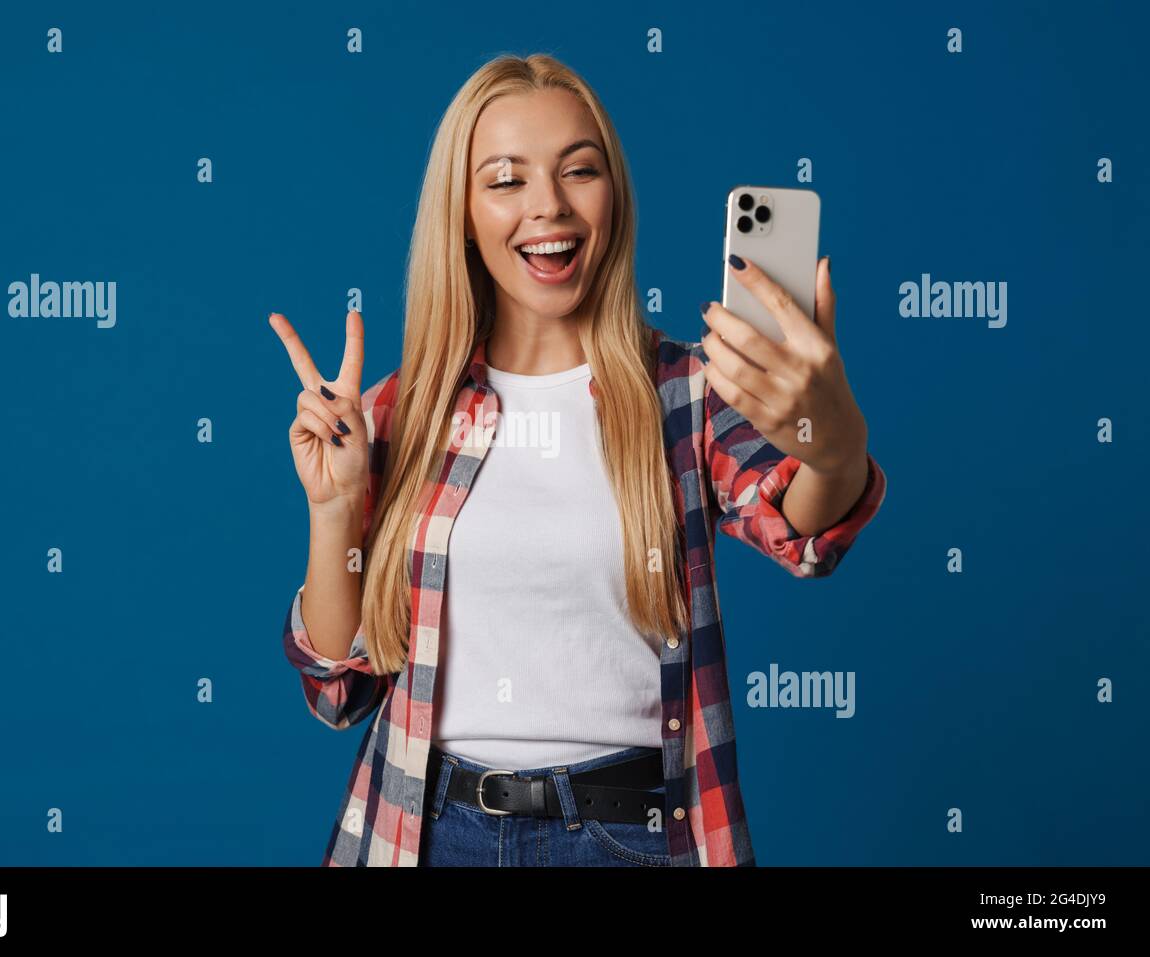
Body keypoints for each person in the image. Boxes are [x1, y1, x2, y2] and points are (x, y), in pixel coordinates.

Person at [269, 52, 886, 867]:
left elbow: (800, 527)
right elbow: (337, 693)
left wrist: (835, 447)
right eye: (506, 180)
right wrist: (334, 508)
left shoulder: (687, 392)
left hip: (631, 839)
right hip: (429, 834)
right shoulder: (395, 411)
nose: (548, 207)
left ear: (615, 197)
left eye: (578, 171)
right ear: (462, 213)